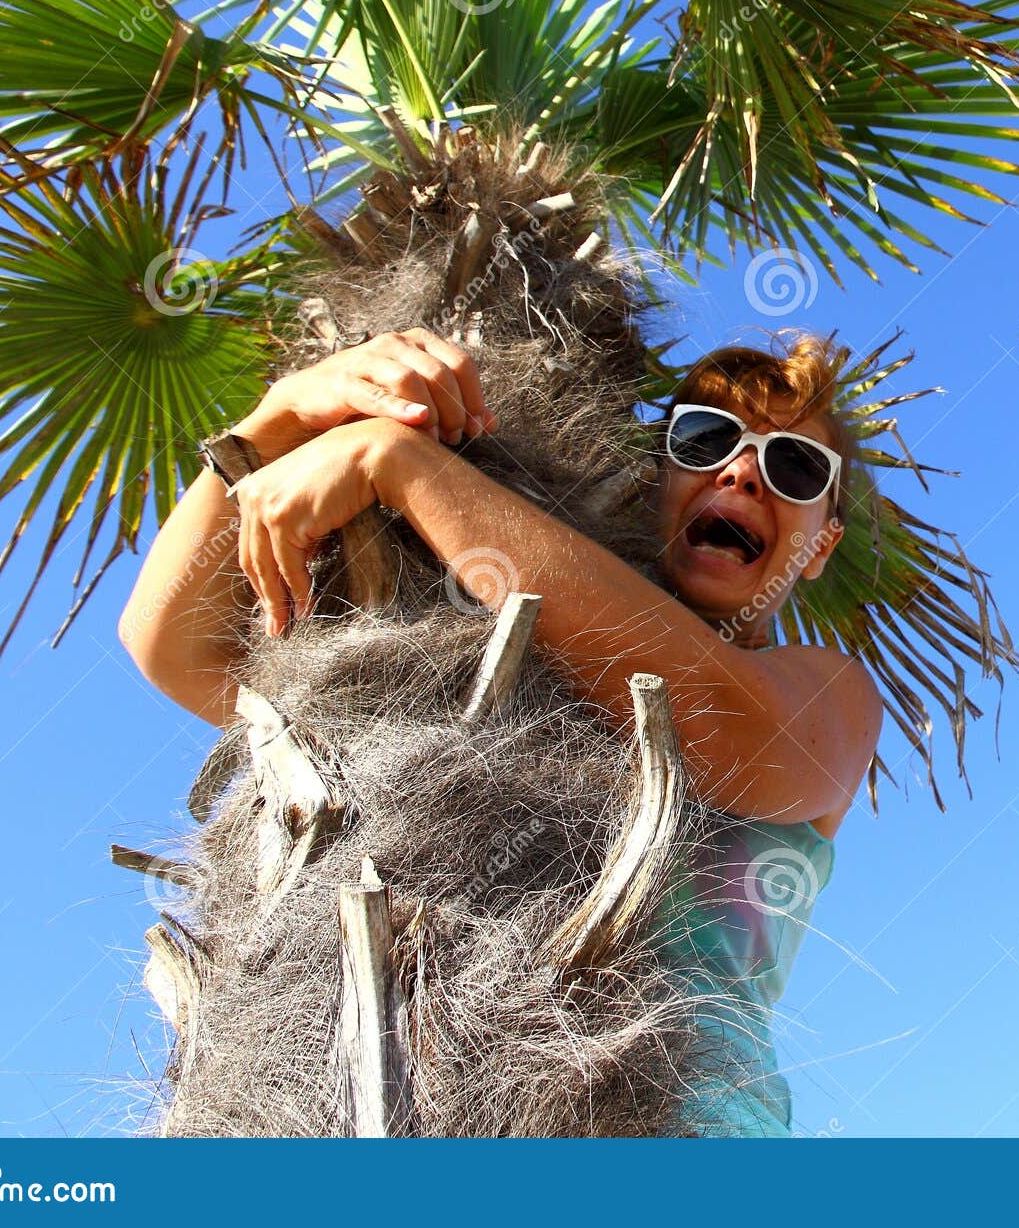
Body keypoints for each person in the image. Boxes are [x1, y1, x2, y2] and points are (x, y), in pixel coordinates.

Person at [119, 326, 885, 1137]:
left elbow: (727, 727)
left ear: (819, 546)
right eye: (705, 439)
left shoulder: (832, 692)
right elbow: (171, 645)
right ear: (657, 482)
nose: (739, 470)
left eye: (794, 467)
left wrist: (399, 465)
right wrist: (273, 423)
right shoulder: (508, 649)